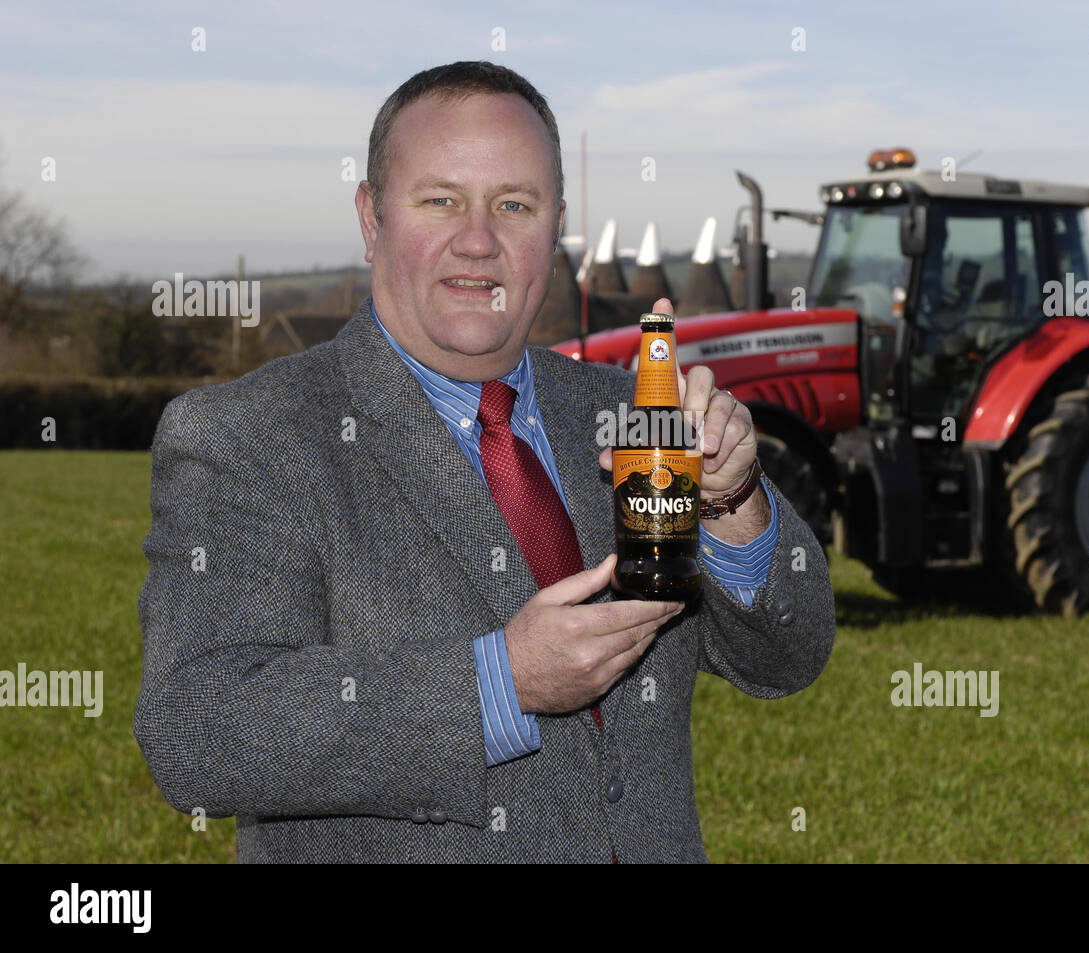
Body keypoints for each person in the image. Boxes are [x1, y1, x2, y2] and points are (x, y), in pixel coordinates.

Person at [134, 60, 836, 863]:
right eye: (440, 200)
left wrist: (734, 499)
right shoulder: (248, 436)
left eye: (514, 205)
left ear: (557, 224)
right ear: (371, 218)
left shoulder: (634, 418)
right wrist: (498, 685)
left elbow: (789, 655)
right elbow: (197, 726)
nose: (478, 240)